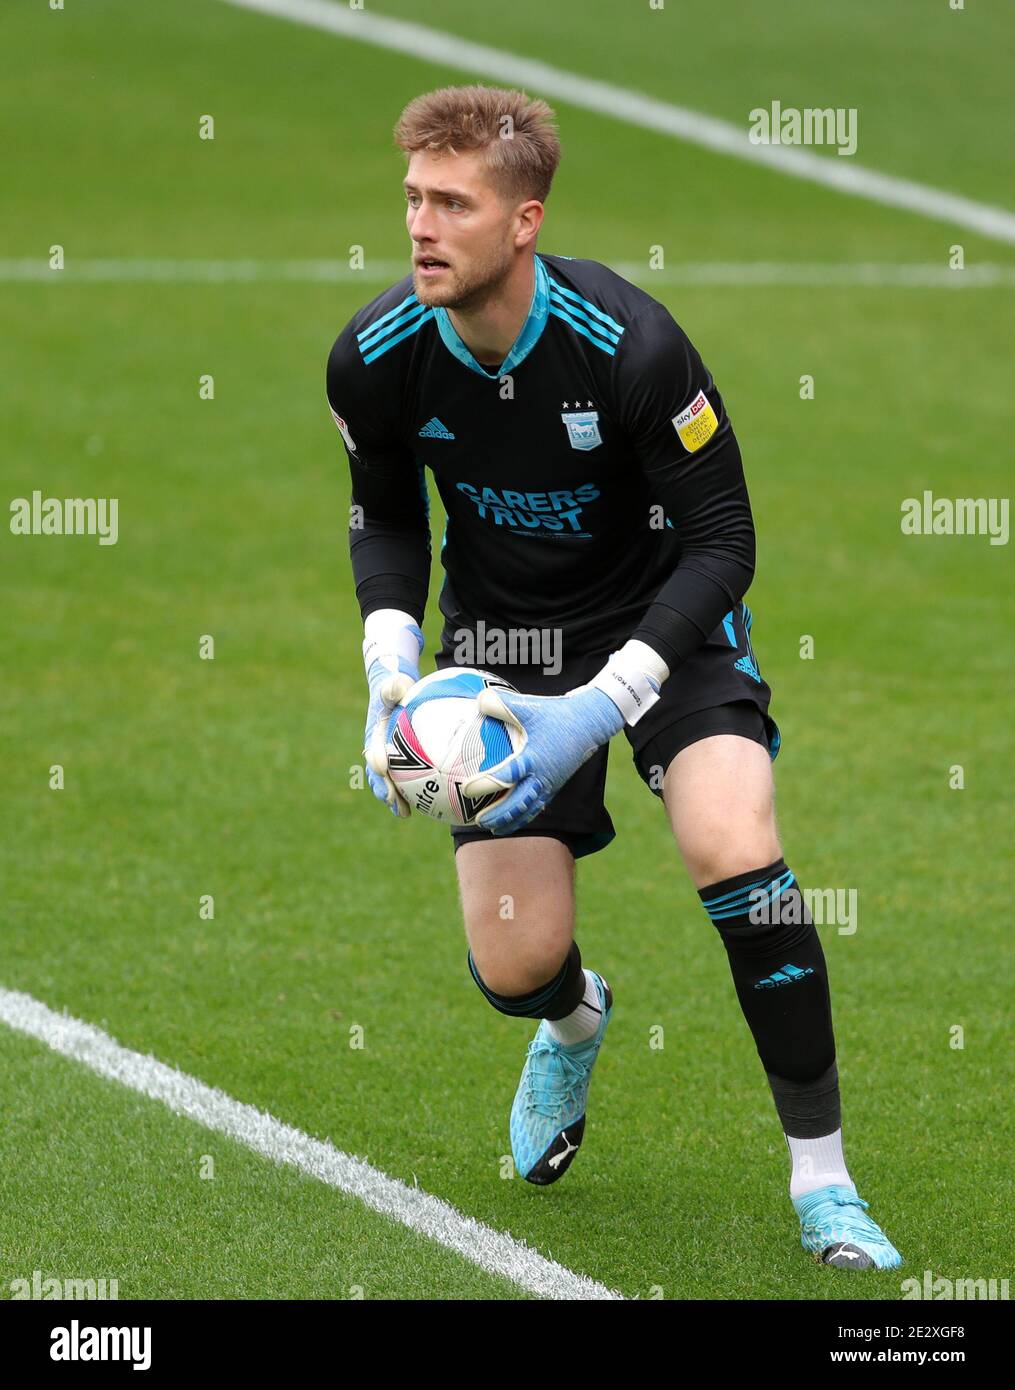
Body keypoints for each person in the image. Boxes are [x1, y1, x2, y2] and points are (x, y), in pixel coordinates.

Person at [326, 83, 901, 1270]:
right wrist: (390, 659)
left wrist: (605, 700)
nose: (421, 227)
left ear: (524, 220)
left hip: (665, 623)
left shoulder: (631, 344)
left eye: (451, 203)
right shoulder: (374, 358)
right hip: (496, 651)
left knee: (734, 848)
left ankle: (824, 1178)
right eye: (411, 201)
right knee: (514, 961)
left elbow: (724, 538)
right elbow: (385, 519)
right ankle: (577, 1022)